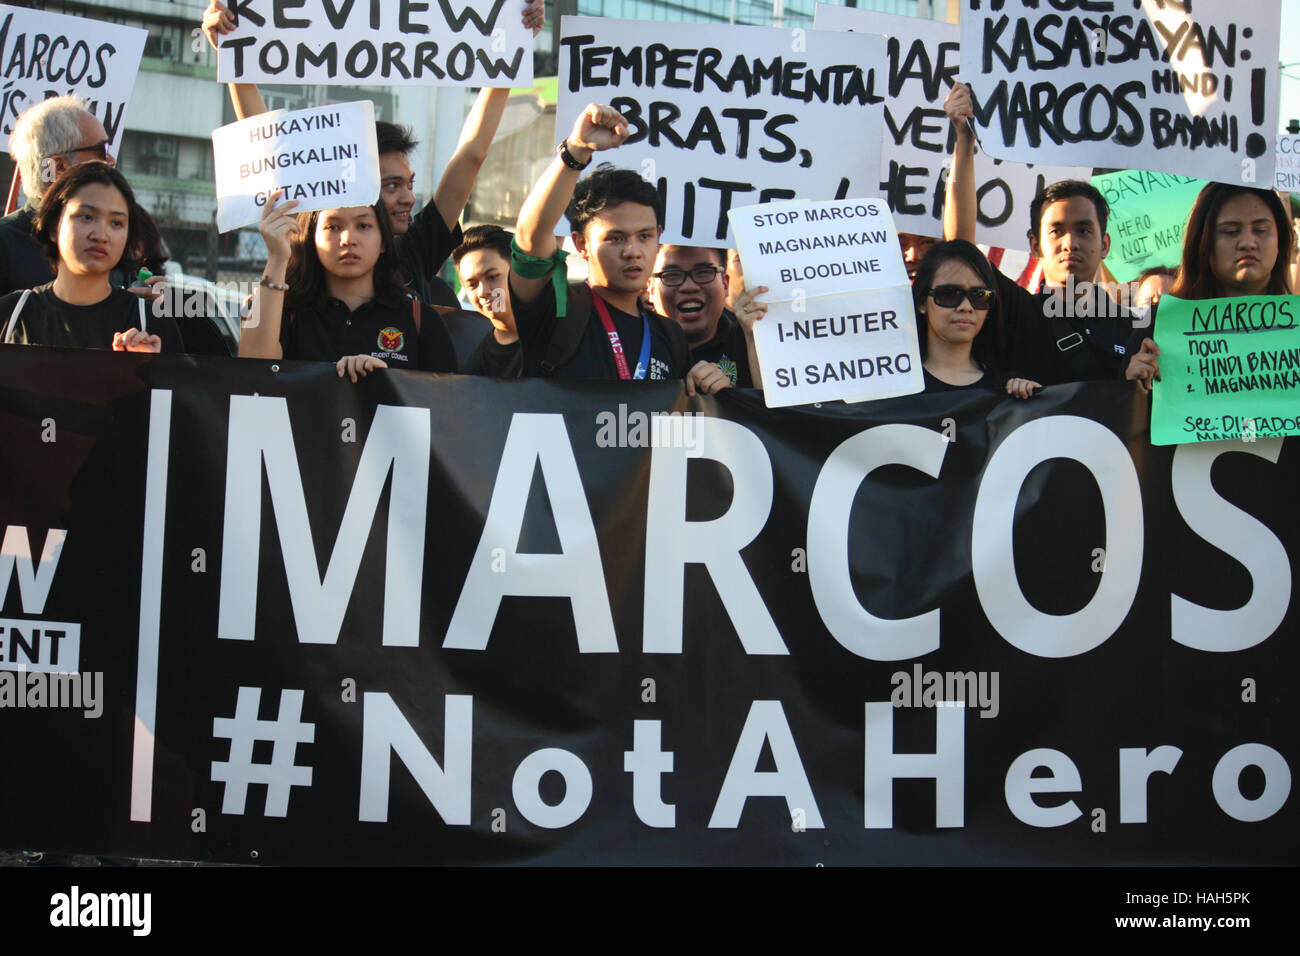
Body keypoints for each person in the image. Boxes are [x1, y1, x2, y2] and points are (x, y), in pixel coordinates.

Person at [202, 0, 544, 309]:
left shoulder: (416, 247)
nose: (409, 198)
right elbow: (269, 150)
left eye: (409, 184)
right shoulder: (311, 244)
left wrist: (508, 50)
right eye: (392, 186)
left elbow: (471, 154)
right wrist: (234, 50)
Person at [508, 102, 727, 394]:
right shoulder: (557, 306)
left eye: (645, 236)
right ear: (581, 244)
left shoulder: (670, 335)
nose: (633, 251)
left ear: (659, 237)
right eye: (616, 238)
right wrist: (575, 150)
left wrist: (708, 387)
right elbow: (530, 235)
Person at [943, 82, 1134, 396]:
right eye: (1056, 231)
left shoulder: (1134, 329)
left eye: (1084, 231)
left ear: (1105, 244)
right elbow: (961, 249)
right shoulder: (1017, 314)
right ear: (1034, 245)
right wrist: (964, 139)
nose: (1070, 243)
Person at [240, 193, 458, 380]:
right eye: (333, 227)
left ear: (384, 240)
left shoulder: (421, 319)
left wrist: (389, 382)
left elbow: (446, 407)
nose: (347, 239)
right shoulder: (284, 312)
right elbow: (252, 374)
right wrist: (278, 257)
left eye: (363, 225)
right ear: (311, 238)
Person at [1125, 184, 1294, 391]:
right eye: (1230, 231)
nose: (1248, 242)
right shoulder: (1158, 327)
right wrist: (1133, 386)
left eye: (1260, 229)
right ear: (1202, 242)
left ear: (1281, 242)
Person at [0, 163, 182, 351]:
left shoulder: (150, 323)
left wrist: (145, 372)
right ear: (54, 226)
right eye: (86, 217)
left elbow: (178, 380)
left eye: (116, 223)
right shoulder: (12, 314)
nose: (101, 235)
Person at [1, 95, 121, 296]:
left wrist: (139, 305)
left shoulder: (112, 241)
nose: (111, 160)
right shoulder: (6, 245)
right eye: (102, 150)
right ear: (58, 166)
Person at [647, 244, 764, 387]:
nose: (689, 287)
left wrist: (728, 403)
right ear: (651, 288)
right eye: (672, 275)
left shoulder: (748, 341)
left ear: (725, 284)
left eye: (703, 272)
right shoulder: (629, 343)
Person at [911, 240, 1013, 394]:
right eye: (949, 294)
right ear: (922, 302)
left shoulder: (1009, 389)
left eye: (980, 296)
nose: (966, 307)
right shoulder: (895, 388)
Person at [453, 224, 521, 378]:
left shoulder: (559, 331)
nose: (483, 292)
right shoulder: (477, 365)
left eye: (492, 277)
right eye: (472, 284)